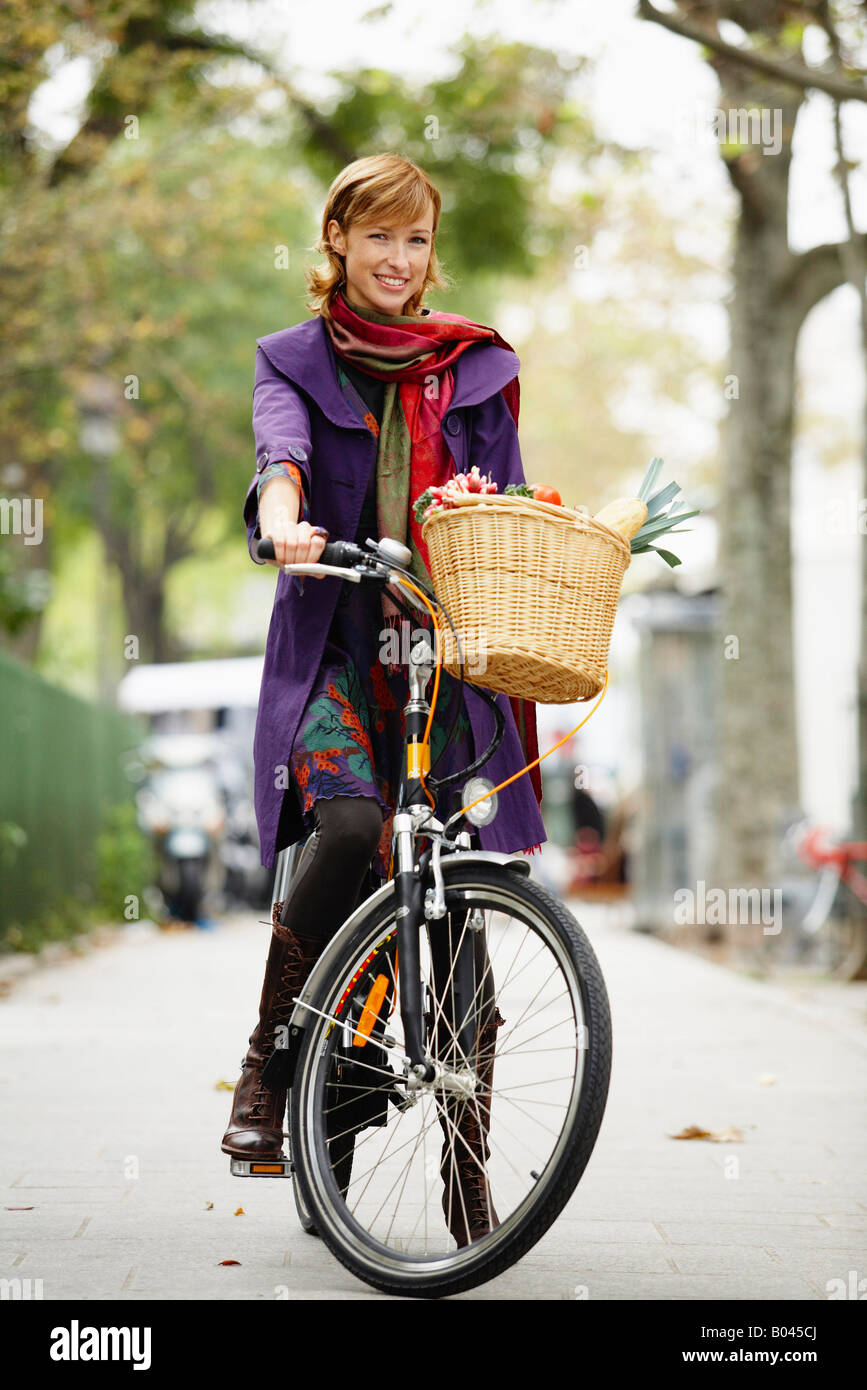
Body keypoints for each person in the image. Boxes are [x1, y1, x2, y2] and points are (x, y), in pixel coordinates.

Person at [221, 152, 546, 1246]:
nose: (398, 260)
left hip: (448, 657)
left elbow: (504, 492)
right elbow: (283, 457)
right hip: (336, 654)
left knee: (457, 908)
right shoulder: (292, 358)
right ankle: (271, 1065)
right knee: (356, 829)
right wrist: (282, 515)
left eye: (415, 239)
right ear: (338, 244)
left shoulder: (478, 365)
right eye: (377, 238)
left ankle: (467, 1175)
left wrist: (489, 508)